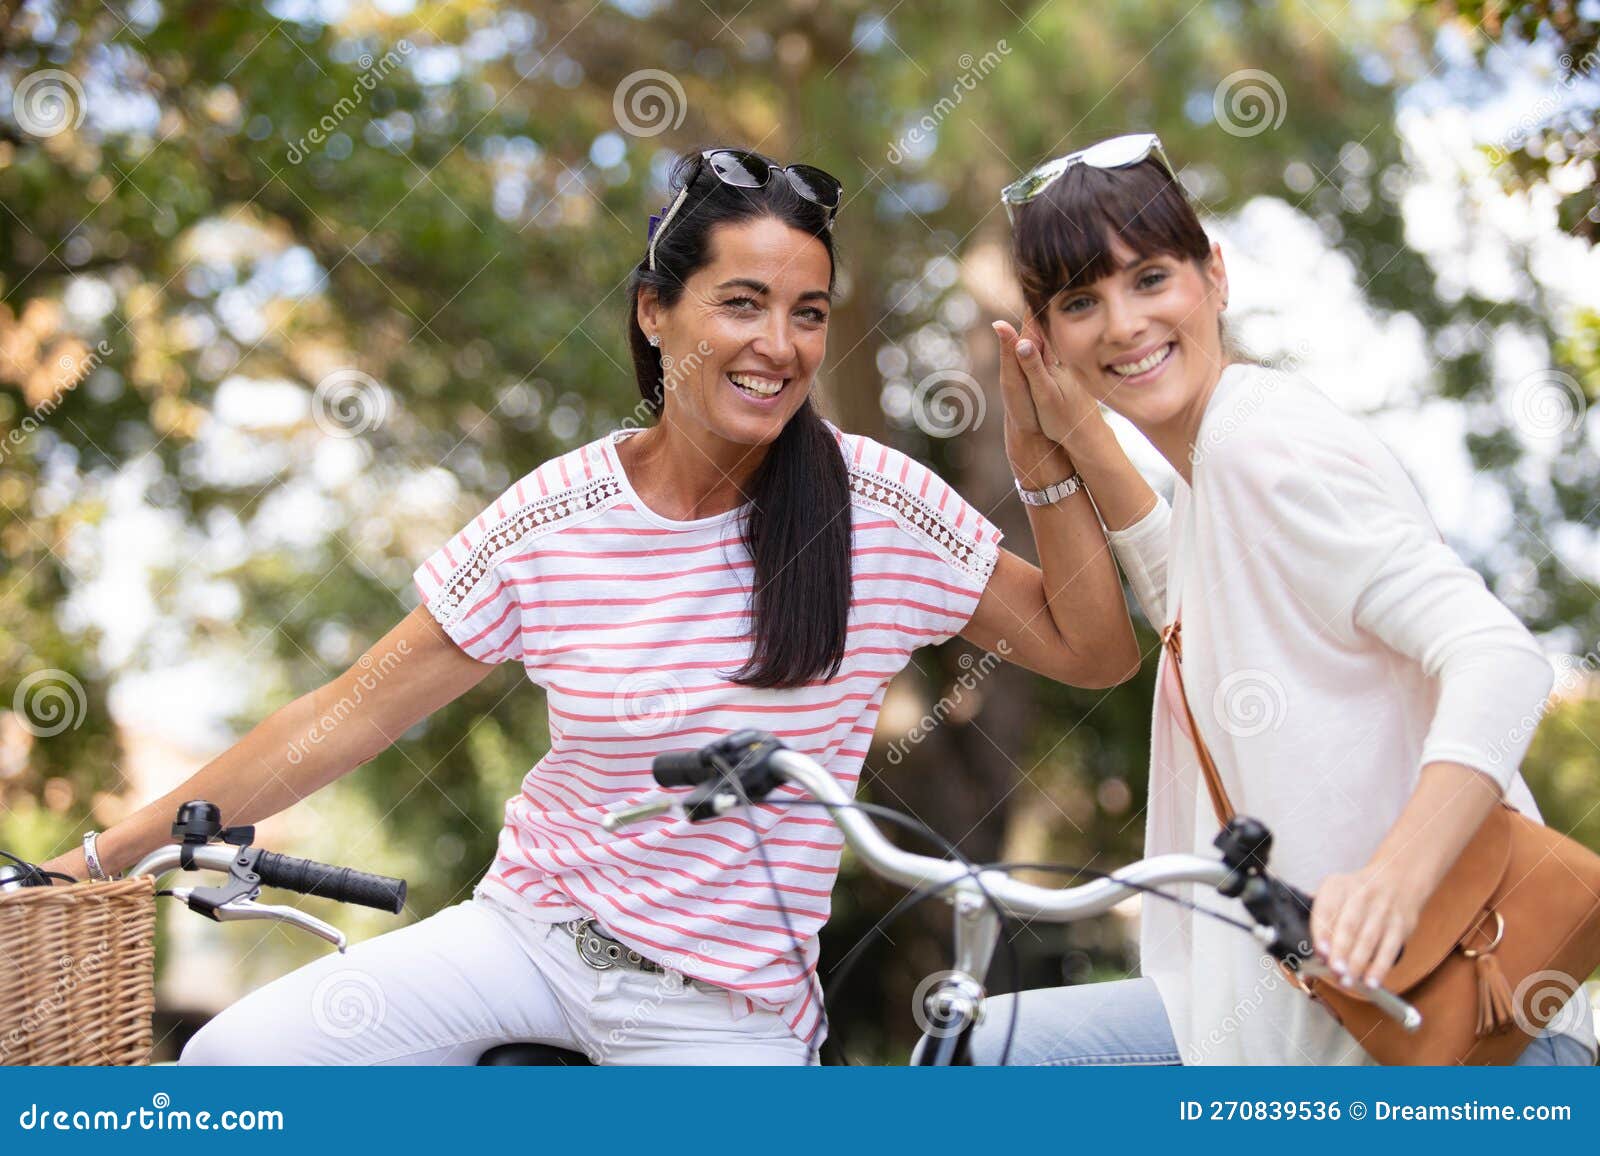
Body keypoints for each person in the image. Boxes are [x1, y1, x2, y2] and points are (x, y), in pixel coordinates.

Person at [38, 146, 1141, 1065]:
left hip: (728, 1010)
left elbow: (1091, 651)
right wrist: (98, 859)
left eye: (806, 313)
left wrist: (1044, 459)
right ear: (656, 313)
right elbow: (354, 711)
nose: (780, 345)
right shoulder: (553, 513)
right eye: (742, 304)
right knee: (233, 1065)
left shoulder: (876, 504)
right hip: (528, 935)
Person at [962, 132, 1598, 1066]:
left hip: (1453, 1033)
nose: (1123, 323)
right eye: (1080, 301)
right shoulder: (1222, 454)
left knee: (1001, 1055)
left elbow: (1499, 657)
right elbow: (1189, 605)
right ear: (1046, 339)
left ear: (1214, 276)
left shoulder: (1261, 447)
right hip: (1299, 1019)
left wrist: (1393, 880)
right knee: (998, 1048)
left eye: (1149, 279)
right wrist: (1064, 442)